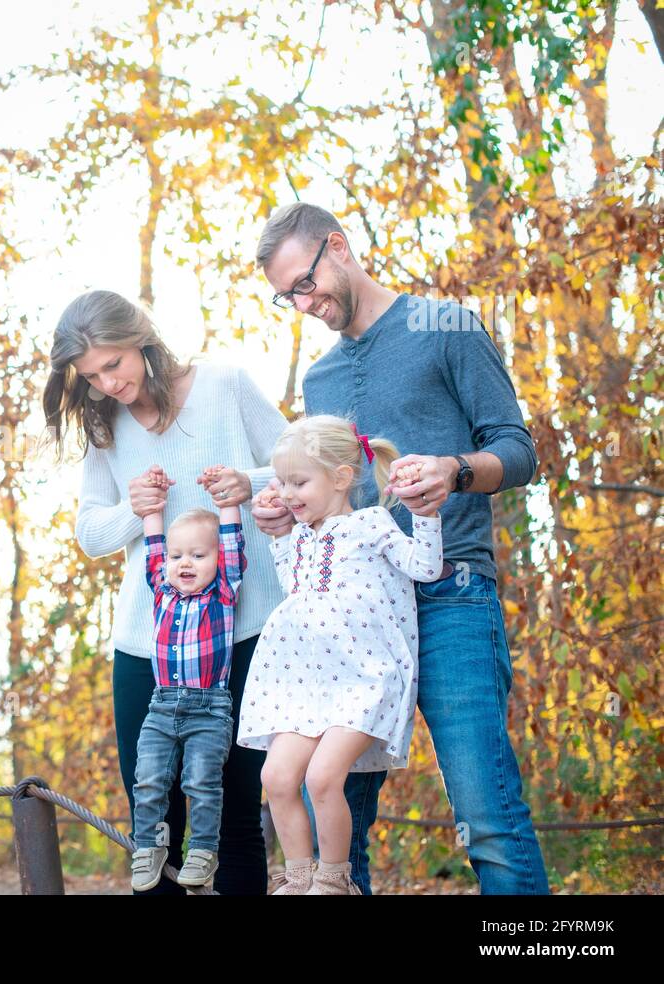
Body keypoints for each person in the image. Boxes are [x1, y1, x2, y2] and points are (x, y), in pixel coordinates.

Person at [250, 201, 550, 895]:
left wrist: (454, 469)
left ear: (338, 246)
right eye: (285, 295)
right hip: (348, 626)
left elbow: (519, 450)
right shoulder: (321, 380)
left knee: (485, 810)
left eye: (304, 282)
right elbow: (335, 507)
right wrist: (286, 513)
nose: (301, 302)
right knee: (337, 833)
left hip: (450, 596)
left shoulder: (443, 327)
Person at [43, 288, 287, 894]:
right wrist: (134, 510)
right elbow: (90, 532)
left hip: (242, 635)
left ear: (141, 339)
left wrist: (247, 483)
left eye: (114, 364)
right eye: (92, 375)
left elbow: (300, 468)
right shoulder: (106, 427)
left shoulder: (225, 385)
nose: (107, 383)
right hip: (147, 647)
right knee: (153, 819)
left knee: (233, 815)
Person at [238, 415, 443, 894]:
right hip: (305, 681)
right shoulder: (304, 535)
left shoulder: (373, 523)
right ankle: (298, 876)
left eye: (297, 482)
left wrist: (427, 517)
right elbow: (295, 586)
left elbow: (426, 568)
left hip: (363, 678)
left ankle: (334, 879)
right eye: (281, 482)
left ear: (341, 477)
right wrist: (281, 538)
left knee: (323, 776)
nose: (286, 493)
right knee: (276, 775)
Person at [130, 466, 247, 890]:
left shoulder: (224, 591)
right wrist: (154, 507)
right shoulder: (161, 589)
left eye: (199, 556)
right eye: (179, 556)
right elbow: (155, 546)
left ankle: (202, 849)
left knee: (201, 781)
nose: (185, 563)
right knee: (149, 778)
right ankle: (148, 845)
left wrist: (228, 504)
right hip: (160, 706)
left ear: (218, 561)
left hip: (209, 710)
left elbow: (233, 544)